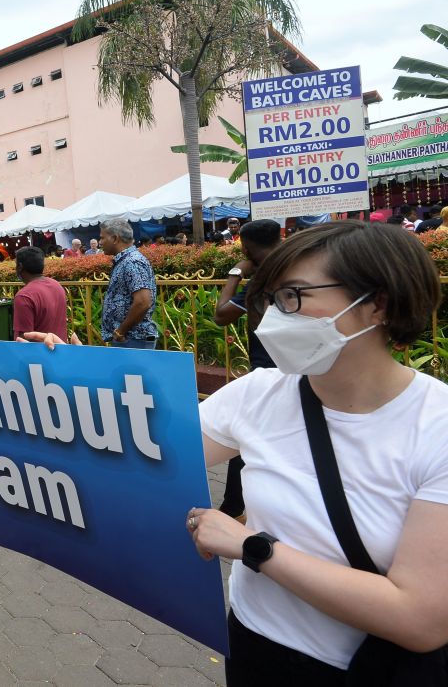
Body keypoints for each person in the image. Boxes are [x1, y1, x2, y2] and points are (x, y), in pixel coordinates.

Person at [186, 221, 448, 683]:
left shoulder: (436, 426)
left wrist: (251, 547)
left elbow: (419, 620)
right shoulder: (259, 394)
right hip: (251, 643)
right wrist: (64, 375)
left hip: (366, 668)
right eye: (272, 299)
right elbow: (146, 453)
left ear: (376, 305)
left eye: (294, 297)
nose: (273, 318)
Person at [211, 219, 282, 523]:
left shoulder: (262, 279)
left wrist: (236, 273)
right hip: (301, 365)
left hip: (268, 367)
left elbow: (221, 314)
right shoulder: (295, 267)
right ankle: (236, 505)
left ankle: (233, 507)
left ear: (245, 246)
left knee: (243, 433)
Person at [99, 218, 158, 349]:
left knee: (133, 370)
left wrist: (120, 331)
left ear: (115, 239)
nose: (100, 243)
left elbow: (143, 302)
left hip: (133, 339)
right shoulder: (125, 261)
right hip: (129, 338)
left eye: (102, 238)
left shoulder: (132, 262)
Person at [13, 247, 68, 341]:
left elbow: (22, 339)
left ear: (20, 267)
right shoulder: (56, 285)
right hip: (60, 349)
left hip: (39, 353)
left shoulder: (24, 296)